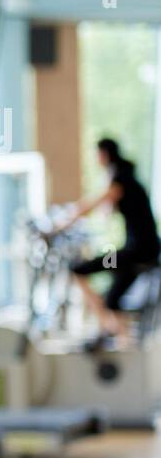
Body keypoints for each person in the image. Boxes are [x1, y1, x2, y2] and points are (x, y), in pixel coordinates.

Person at [63, 137, 161, 348]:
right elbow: (105, 210)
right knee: (112, 299)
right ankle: (121, 341)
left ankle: (108, 327)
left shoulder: (121, 178)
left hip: (139, 251)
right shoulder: (125, 176)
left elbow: (97, 202)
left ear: (105, 154)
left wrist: (66, 220)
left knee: (79, 269)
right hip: (142, 249)